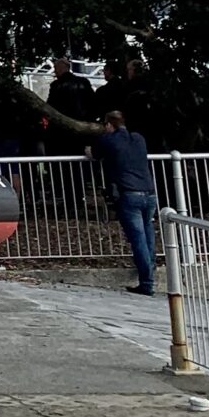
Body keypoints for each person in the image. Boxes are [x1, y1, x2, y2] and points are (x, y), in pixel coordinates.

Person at [93, 109, 159, 295]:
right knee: (148, 233)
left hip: (129, 193)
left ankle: (146, 281)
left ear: (109, 124)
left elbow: (95, 154)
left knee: (138, 238)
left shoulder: (108, 140)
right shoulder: (139, 139)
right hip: (149, 191)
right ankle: (150, 267)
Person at [47, 52, 100, 126]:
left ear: (59, 69)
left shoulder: (56, 85)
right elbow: (92, 102)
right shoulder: (84, 81)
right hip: (84, 121)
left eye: (55, 69)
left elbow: (51, 106)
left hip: (65, 123)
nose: (55, 72)